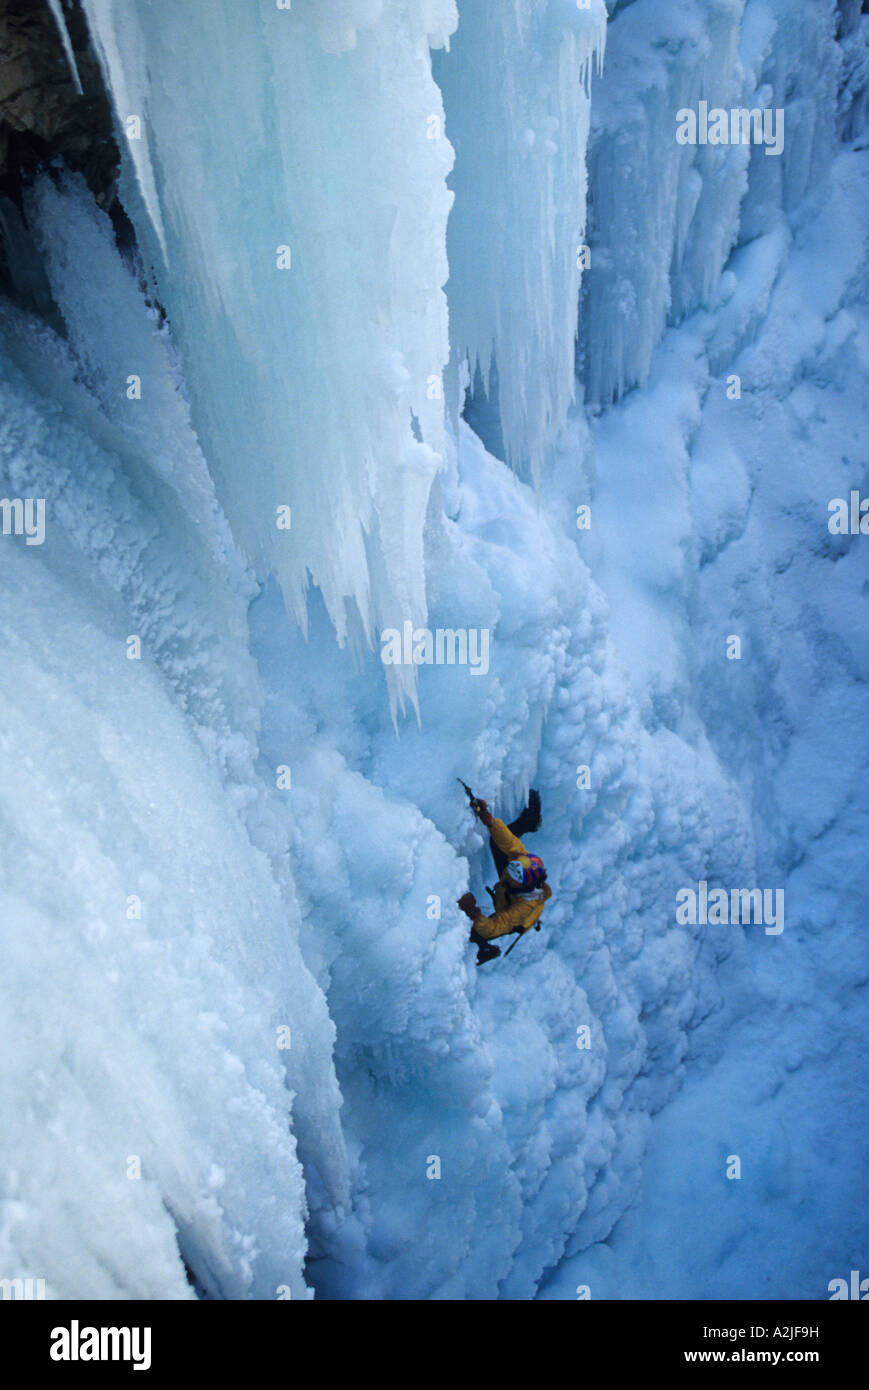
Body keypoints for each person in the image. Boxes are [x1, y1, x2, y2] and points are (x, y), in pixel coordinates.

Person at [457, 790, 550, 964]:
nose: (509, 875)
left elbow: (496, 926)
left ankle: (484, 949)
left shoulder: (523, 907)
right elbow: (509, 842)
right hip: (512, 891)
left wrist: (474, 913)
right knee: (498, 843)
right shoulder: (523, 864)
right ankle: (529, 822)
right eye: (513, 867)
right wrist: (489, 820)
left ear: (523, 885)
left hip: (511, 914)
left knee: (476, 931)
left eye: (515, 876)